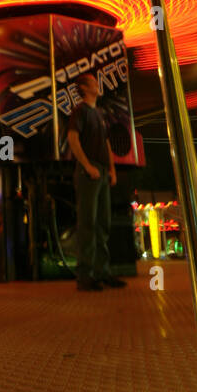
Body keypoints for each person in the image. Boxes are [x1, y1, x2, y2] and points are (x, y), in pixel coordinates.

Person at [67, 73, 127, 291]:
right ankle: (85, 276)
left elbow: (106, 143)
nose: (97, 84)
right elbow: (73, 139)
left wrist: (111, 169)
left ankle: (103, 272)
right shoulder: (80, 111)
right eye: (93, 82)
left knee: (103, 223)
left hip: (100, 172)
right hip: (89, 172)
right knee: (88, 223)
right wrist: (87, 166)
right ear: (84, 88)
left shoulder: (99, 113)